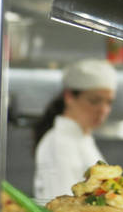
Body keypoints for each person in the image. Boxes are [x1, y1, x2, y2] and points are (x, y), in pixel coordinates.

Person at [32, 58, 116, 198]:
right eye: (94, 101)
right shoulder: (59, 143)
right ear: (69, 97)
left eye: (109, 102)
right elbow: (62, 204)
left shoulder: (83, 138)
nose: (104, 110)